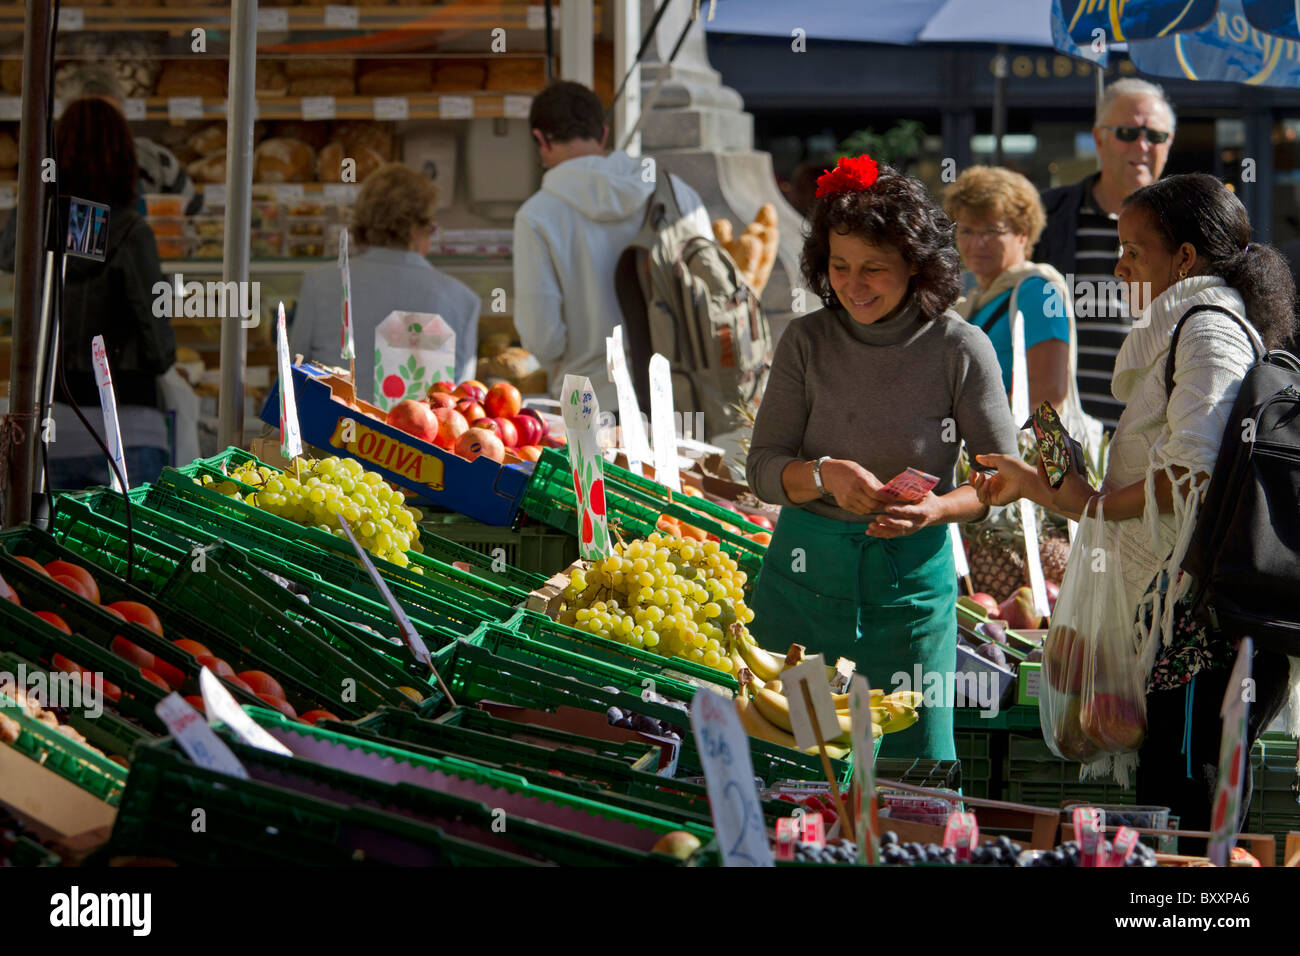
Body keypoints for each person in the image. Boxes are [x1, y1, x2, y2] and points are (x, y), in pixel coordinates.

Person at [972, 173, 1300, 843]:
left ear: (1183, 259)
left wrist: (1088, 501)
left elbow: (1190, 477)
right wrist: (1050, 487)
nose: (1118, 265)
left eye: (1133, 250)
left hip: (1202, 631)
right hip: (1191, 625)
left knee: (1184, 820)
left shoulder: (1209, 334)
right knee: (1172, 809)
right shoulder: (1190, 330)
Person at [744, 155, 1020, 761]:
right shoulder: (806, 341)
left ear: (916, 268)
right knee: (803, 769)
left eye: (874, 268)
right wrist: (823, 475)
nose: (853, 284)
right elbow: (762, 467)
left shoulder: (960, 347)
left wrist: (938, 507)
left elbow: (1001, 477)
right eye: (839, 266)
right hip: (803, 594)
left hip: (910, 602)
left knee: (907, 780)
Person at [513, 81, 710, 412]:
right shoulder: (675, 191)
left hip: (590, 407)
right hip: (681, 401)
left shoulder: (535, 216)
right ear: (602, 135)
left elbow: (544, 340)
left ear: (541, 139)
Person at [45, 98, 176, 489]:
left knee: (46, 552)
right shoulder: (132, 233)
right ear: (125, 160)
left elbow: (5, 255)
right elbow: (160, 351)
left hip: (53, 429)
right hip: (127, 434)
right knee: (133, 552)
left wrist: (41, 197)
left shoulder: (40, 225)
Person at [1032, 79, 1177, 432]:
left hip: (1151, 440)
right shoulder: (1046, 216)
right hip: (1061, 436)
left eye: (1155, 136)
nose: (1142, 145)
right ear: (1099, 138)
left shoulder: (1184, 229)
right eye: (1128, 132)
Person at [290, 163, 480, 401]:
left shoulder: (319, 284)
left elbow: (290, 385)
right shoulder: (462, 299)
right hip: (419, 438)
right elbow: (461, 403)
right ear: (415, 229)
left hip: (333, 434)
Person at [0, 65, 199, 272]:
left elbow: (204, 232)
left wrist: (177, 241)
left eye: (109, 121)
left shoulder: (156, 162)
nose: (101, 134)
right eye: (88, 123)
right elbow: (12, 255)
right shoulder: (51, 171)